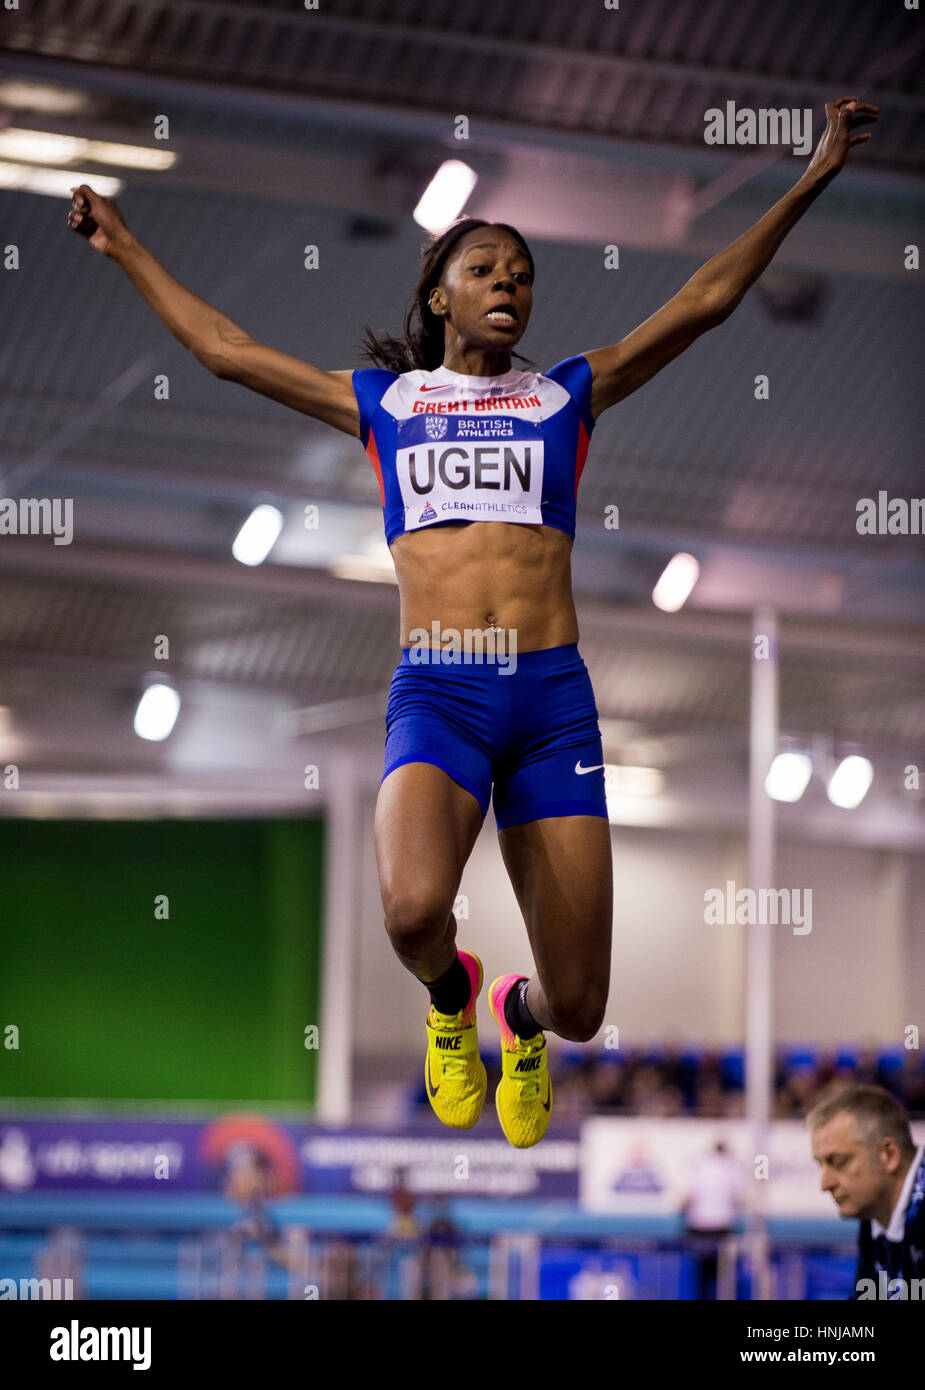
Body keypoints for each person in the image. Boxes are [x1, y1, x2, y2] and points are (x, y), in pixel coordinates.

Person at [67, 95, 877, 1151]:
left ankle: (516, 1019)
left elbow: (705, 299)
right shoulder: (386, 402)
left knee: (583, 1005)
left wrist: (808, 178)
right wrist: (126, 244)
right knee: (410, 912)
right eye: (488, 268)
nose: (510, 285)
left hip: (550, 703)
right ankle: (454, 996)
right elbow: (225, 349)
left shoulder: (566, 397)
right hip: (441, 688)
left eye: (523, 274)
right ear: (439, 294)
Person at [807, 1084, 925, 1299]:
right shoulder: (875, 1213)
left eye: (838, 1162)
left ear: (889, 1155)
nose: (824, 1184)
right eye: (821, 1165)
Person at [680, 1140, 744, 1299]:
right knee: (721, 1273)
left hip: (700, 1226)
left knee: (702, 1274)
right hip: (721, 1226)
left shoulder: (701, 1166)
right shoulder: (732, 1168)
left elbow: (688, 1197)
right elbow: (737, 1199)